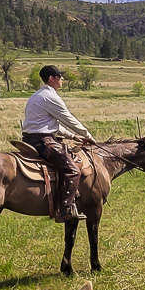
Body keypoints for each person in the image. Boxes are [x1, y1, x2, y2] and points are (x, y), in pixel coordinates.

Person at [21, 64, 96, 220]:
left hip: (32, 138)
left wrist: (74, 137)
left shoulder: (37, 95)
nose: (62, 79)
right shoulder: (50, 96)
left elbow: (50, 125)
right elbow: (68, 119)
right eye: (60, 77)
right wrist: (87, 134)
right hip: (43, 141)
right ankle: (65, 209)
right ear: (51, 78)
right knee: (73, 170)